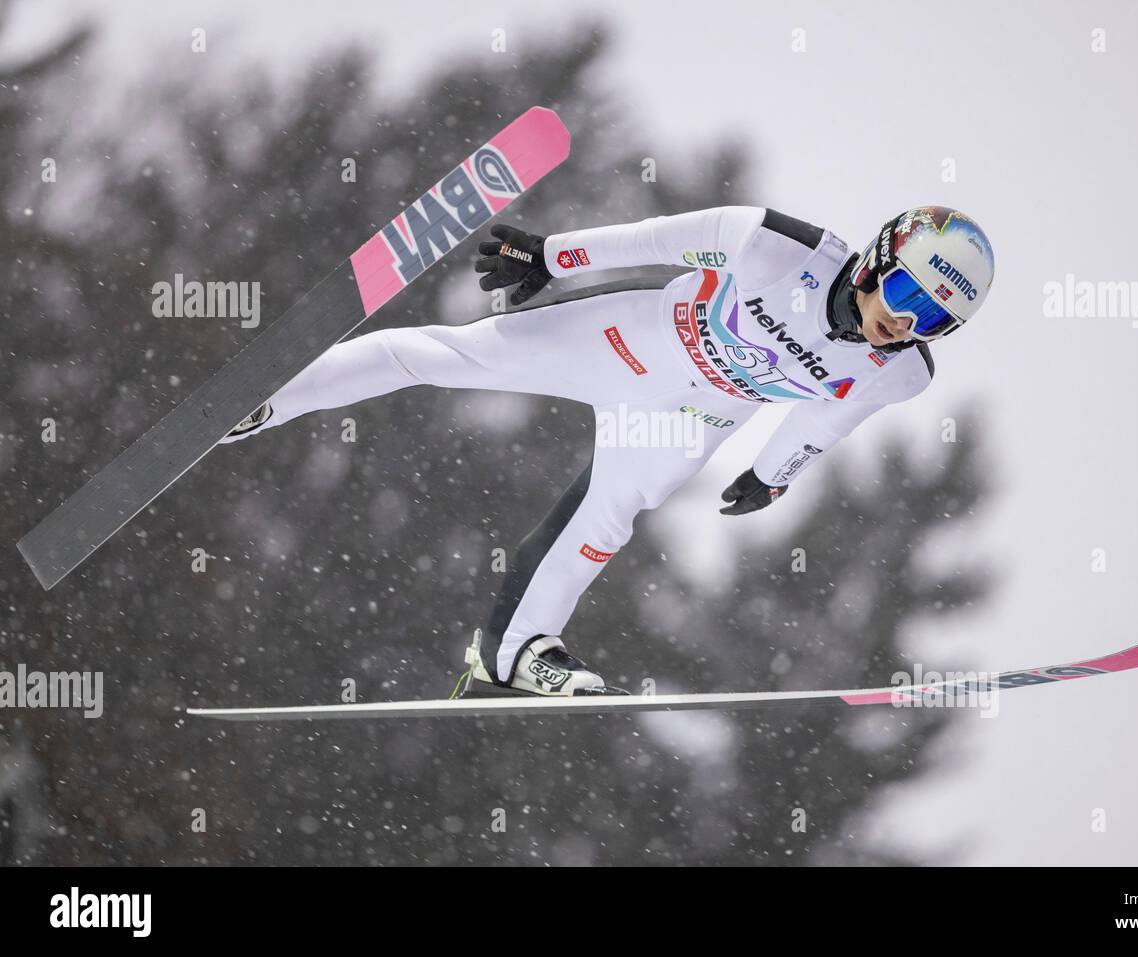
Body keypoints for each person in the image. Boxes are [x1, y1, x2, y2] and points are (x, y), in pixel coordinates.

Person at [223, 205, 995, 697]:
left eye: (935, 319)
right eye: (906, 296)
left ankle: (515, 648)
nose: (907, 323)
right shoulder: (774, 247)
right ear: (877, 261)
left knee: (606, 520)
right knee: (444, 356)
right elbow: (659, 239)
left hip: (694, 414)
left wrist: (772, 475)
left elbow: (833, 416)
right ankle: (268, 397)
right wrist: (552, 256)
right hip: (629, 343)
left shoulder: (900, 373)